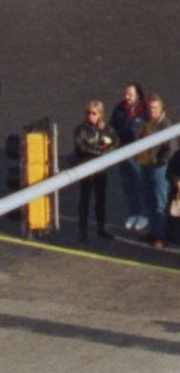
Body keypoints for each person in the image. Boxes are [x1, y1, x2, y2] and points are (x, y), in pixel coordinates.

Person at [72, 101, 117, 242]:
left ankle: (101, 228)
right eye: (88, 113)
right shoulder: (81, 129)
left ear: (100, 115)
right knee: (85, 199)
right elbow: (82, 147)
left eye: (93, 113)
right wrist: (101, 151)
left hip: (100, 169)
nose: (90, 116)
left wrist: (104, 149)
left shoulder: (107, 129)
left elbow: (116, 142)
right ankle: (82, 232)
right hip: (86, 168)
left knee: (100, 199)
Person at [111, 82, 150, 234]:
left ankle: (144, 214)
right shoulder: (119, 109)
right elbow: (112, 127)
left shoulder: (144, 111)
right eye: (125, 94)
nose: (126, 97)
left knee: (141, 183)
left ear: (138, 95)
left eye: (130, 94)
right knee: (128, 185)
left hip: (139, 154)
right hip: (123, 152)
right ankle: (133, 213)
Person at [137, 93, 173, 249]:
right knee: (149, 200)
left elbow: (170, 149)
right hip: (146, 166)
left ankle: (161, 236)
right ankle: (153, 231)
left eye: (155, 108)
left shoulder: (166, 126)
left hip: (159, 169)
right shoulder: (148, 123)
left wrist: (159, 162)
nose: (152, 110)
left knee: (160, 202)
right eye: (150, 108)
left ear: (161, 108)